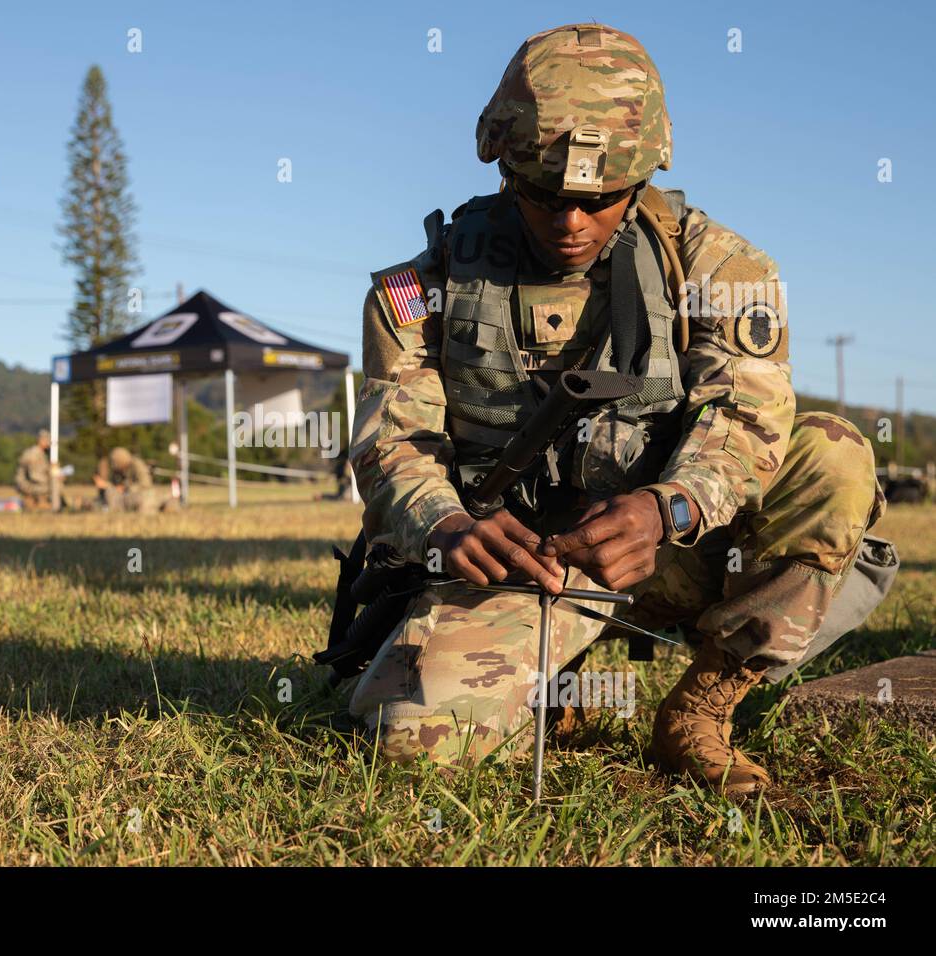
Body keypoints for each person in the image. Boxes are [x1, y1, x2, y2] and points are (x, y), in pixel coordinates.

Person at [345, 23, 888, 796]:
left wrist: (669, 506)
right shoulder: (420, 289)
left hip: (675, 546)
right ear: (504, 165)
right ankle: (549, 679)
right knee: (413, 744)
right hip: (523, 558)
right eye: (544, 195)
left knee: (833, 454)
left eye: (600, 200)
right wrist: (446, 524)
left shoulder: (722, 270)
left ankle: (701, 708)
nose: (572, 223)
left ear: (641, 176)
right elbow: (391, 442)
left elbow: (747, 421)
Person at [93, 447, 156, 514]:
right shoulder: (119, 471)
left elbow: (146, 484)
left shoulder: (137, 465)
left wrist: (123, 488)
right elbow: (117, 485)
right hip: (125, 495)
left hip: (137, 495)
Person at [15, 430, 52, 510]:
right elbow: (34, 476)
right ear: (41, 441)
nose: (49, 444)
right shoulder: (34, 454)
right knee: (53, 485)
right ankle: (37, 502)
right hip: (28, 484)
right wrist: (51, 479)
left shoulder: (41, 454)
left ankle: (37, 502)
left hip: (32, 482)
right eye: (48, 441)